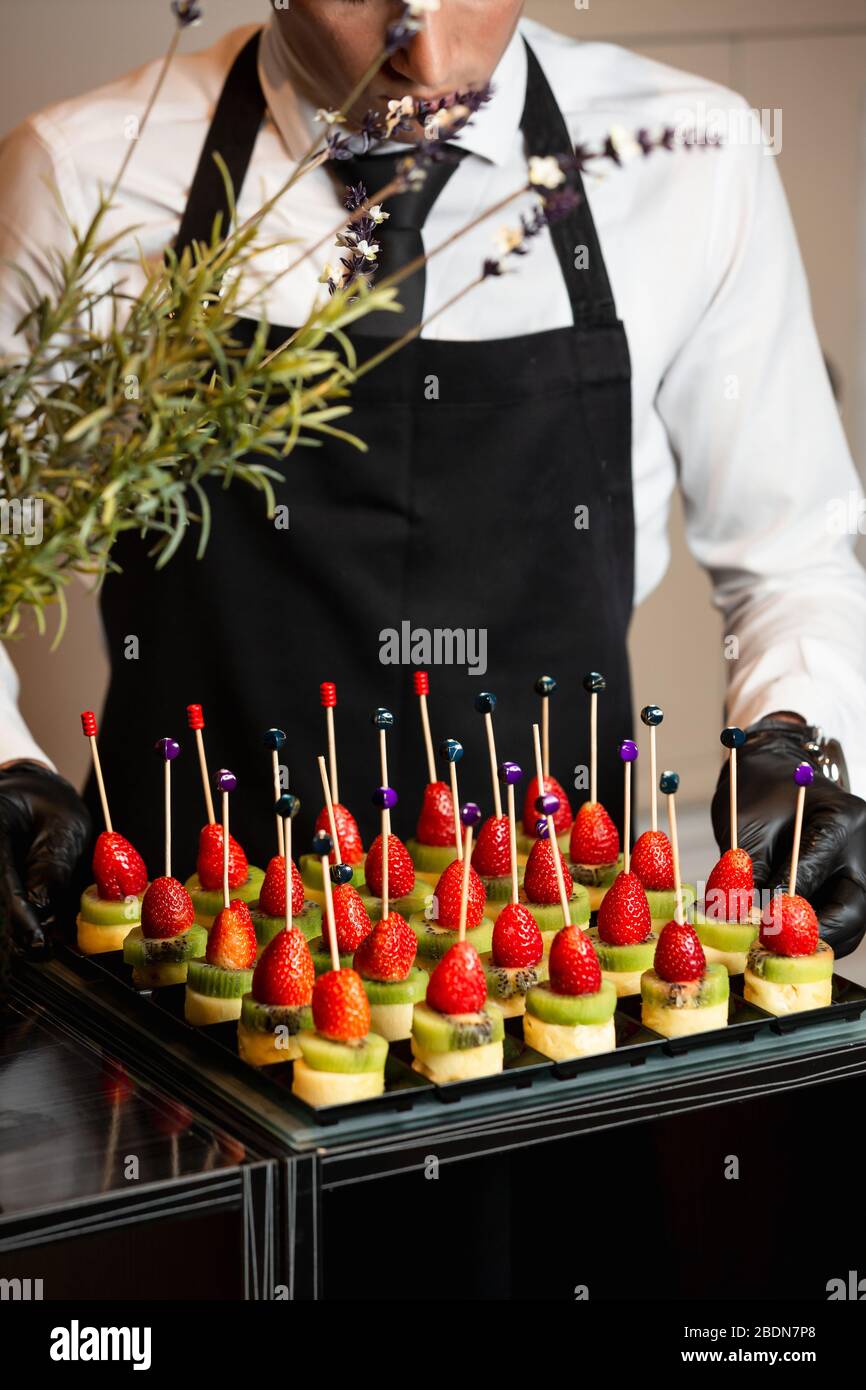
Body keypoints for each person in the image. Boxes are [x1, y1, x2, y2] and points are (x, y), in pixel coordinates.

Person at [1, 0, 865, 956]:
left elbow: (788, 557)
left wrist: (793, 740)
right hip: (175, 937)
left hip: (562, 945)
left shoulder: (693, 160)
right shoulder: (83, 175)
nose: (429, 49)